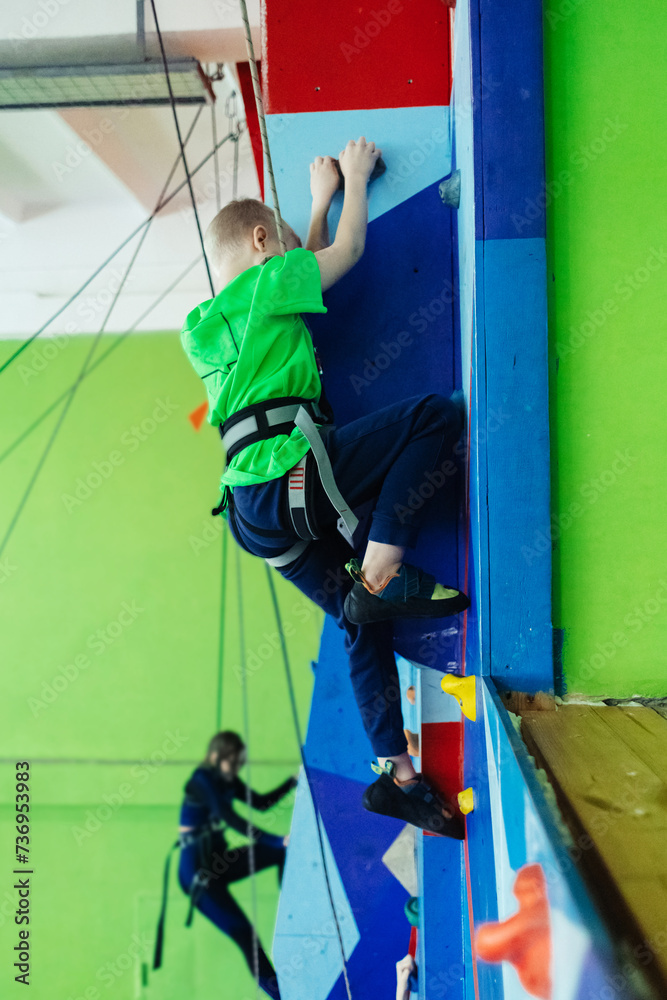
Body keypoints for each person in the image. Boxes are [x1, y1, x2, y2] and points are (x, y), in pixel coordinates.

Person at [180, 138, 468, 837]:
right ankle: (381, 566)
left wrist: (311, 202)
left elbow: (299, 277)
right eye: (280, 245)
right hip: (287, 476)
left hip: (253, 511)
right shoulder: (263, 288)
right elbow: (341, 255)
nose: (293, 258)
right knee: (432, 417)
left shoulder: (210, 325)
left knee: (354, 617)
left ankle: (396, 775)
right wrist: (355, 183)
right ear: (259, 243)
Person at [177, 731, 296, 999]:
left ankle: (295, 911)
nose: (238, 768)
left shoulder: (227, 779)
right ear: (216, 757)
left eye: (241, 763)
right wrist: (276, 839)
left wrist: (293, 781)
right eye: (234, 762)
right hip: (198, 876)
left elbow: (261, 803)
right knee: (245, 935)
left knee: (276, 853)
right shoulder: (201, 781)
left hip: (219, 864)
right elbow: (229, 817)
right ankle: (282, 996)